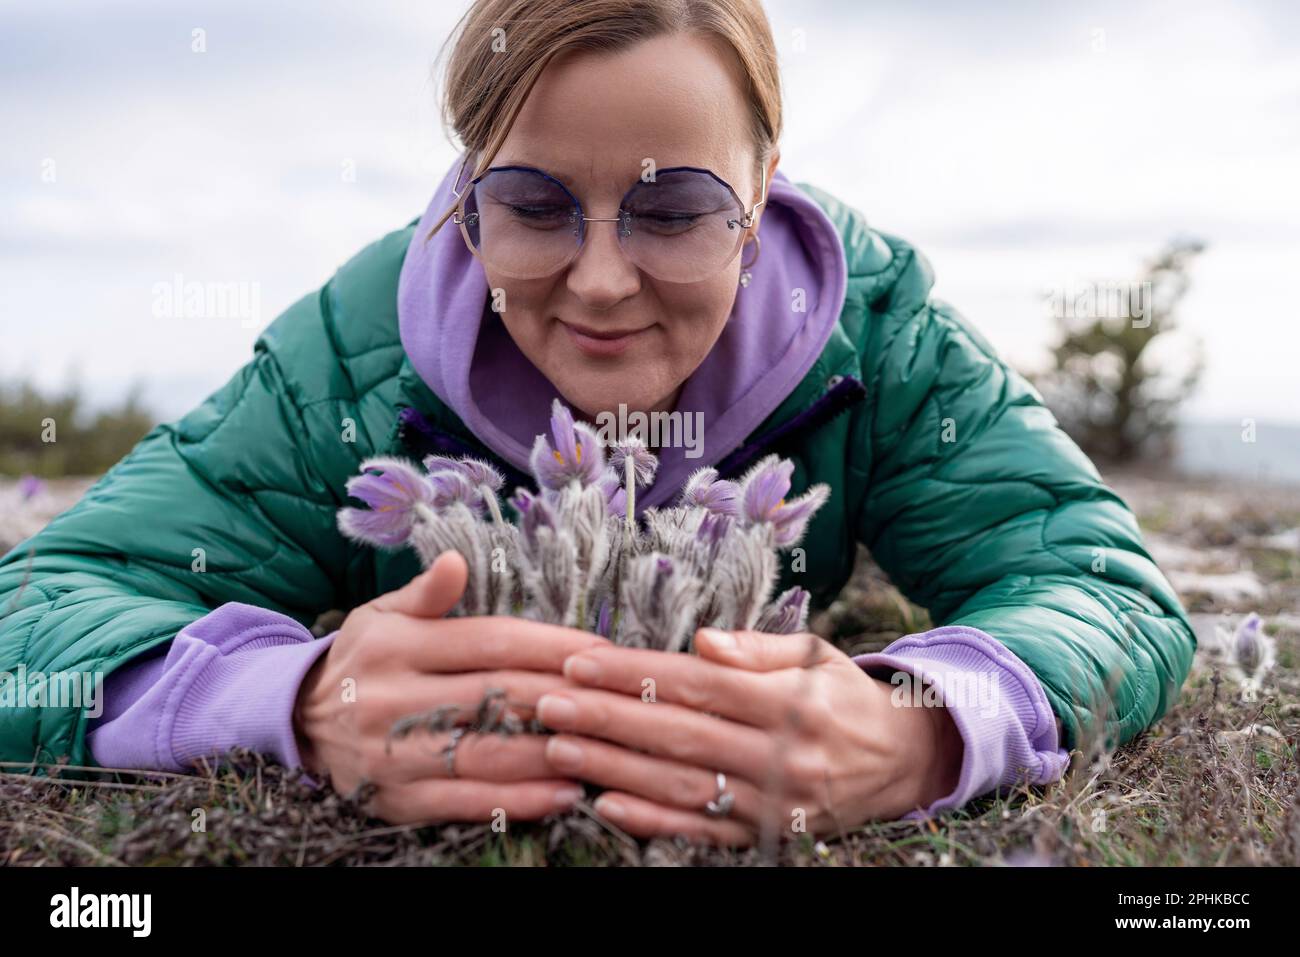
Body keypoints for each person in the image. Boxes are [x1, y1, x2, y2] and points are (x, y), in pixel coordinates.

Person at [0, 0, 1194, 847]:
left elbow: (1105, 587)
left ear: (764, 183)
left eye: (675, 209)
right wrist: (295, 703)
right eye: (532, 206)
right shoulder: (351, 359)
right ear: (467, 195)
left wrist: (922, 729)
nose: (604, 281)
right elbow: (34, 615)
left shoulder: (878, 333)